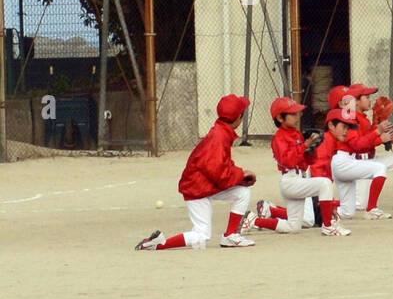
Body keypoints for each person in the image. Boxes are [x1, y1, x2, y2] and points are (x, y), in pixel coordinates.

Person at [134, 94, 258, 250]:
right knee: (202, 235)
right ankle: (158, 244)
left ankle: (231, 236)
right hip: (197, 190)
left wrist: (240, 176)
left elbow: (222, 167)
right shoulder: (219, 137)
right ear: (239, 118)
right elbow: (219, 173)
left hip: (205, 186)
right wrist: (240, 175)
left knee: (242, 193)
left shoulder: (222, 132)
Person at [246, 96, 348, 237]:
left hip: (299, 178)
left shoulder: (296, 134)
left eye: (297, 113)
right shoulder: (279, 138)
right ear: (280, 118)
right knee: (324, 184)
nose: (297, 116)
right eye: (292, 114)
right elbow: (288, 161)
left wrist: (311, 150)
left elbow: (306, 163)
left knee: (293, 226)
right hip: (291, 181)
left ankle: (254, 221)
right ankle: (328, 226)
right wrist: (304, 146)